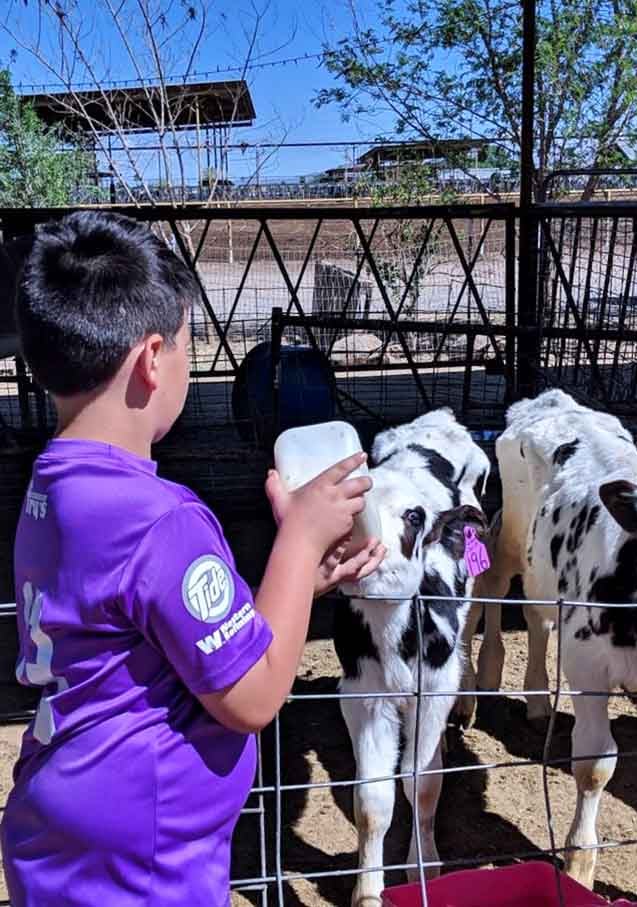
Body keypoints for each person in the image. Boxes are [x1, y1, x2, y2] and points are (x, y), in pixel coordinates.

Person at [0, 210, 385, 907]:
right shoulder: (162, 519)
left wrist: (301, 583)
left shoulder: (53, 490)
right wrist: (298, 540)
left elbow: (148, 628)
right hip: (141, 858)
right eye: (188, 342)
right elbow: (254, 697)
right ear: (153, 359)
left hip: (64, 825)